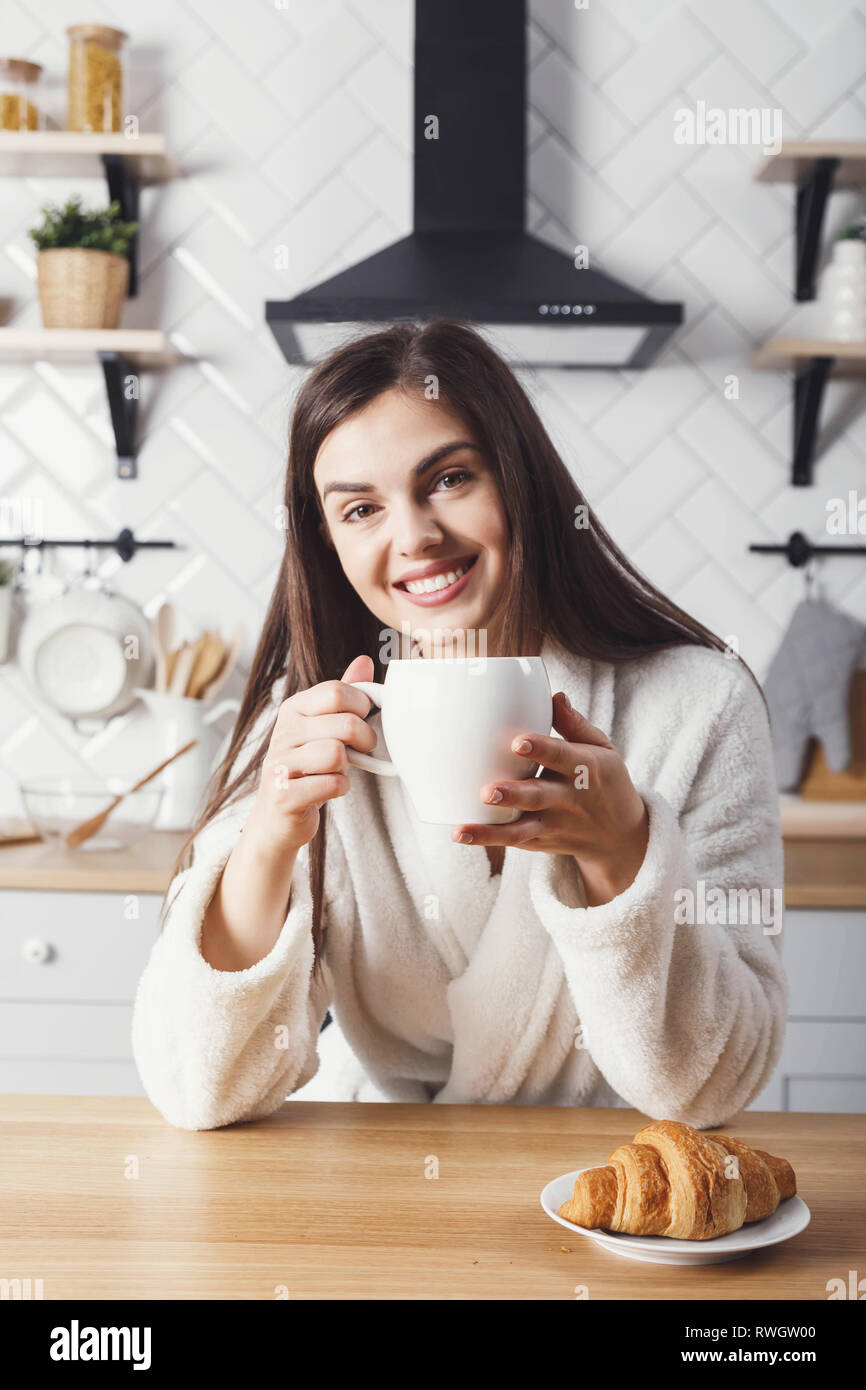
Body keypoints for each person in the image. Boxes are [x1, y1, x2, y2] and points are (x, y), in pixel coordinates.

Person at [131, 319, 786, 1131]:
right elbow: (196, 1088)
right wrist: (268, 839)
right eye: (362, 508)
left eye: (448, 479)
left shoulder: (699, 707)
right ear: (327, 540)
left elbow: (715, 1087)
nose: (415, 537)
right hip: (388, 1182)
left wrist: (625, 854)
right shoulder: (313, 728)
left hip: (617, 1183)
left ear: (520, 479)